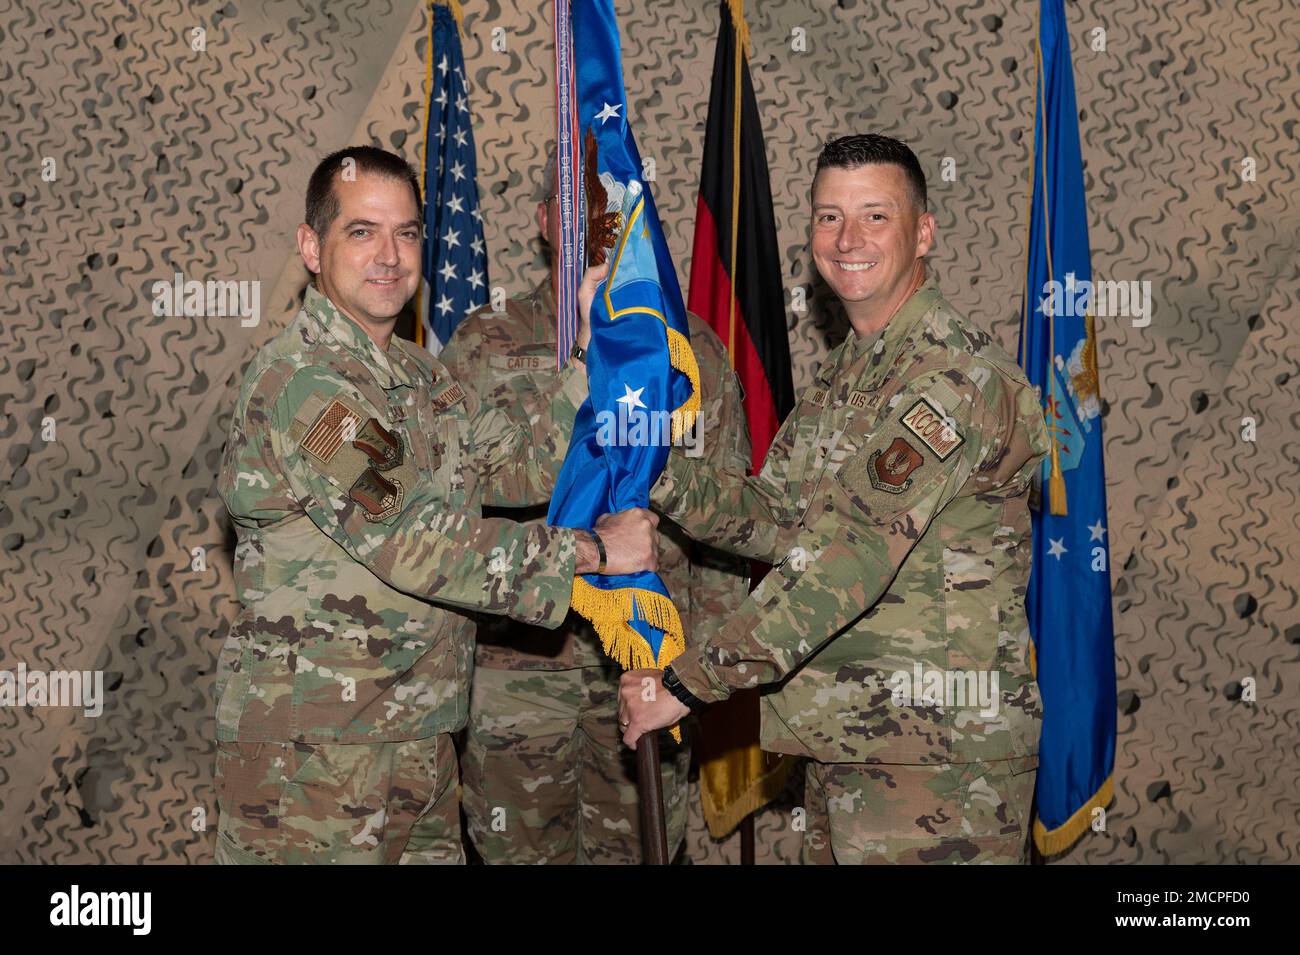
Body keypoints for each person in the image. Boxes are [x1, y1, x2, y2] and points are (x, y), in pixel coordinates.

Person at [215, 145, 657, 864]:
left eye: (407, 232)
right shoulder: (306, 385)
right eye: (362, 231)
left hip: (417, 737)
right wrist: (594, 553)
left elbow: (513, 463)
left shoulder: (419, 373)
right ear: (311, 247)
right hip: (316, 762)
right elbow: (416, 541)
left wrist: (582, 356)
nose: (389, 255)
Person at [619, 133, 1051, 865]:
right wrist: (647, 467)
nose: (847, 239)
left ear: (924, 233)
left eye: (875, 216)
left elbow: (844, 558)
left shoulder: (952, 378)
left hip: (938, 763)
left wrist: (689, 685)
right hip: (854, 740)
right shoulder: (848, 377)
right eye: (828, 217)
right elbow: (780, 519)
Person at [439, 152, 752, 863]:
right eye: (576, 209)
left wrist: (696, 670)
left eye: (612, 209)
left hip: (644, 667)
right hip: (514, 670)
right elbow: (451, 509)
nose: (596, 226)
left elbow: (731, 527)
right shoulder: (482, 344)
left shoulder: (689, 350)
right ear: (545, 222)